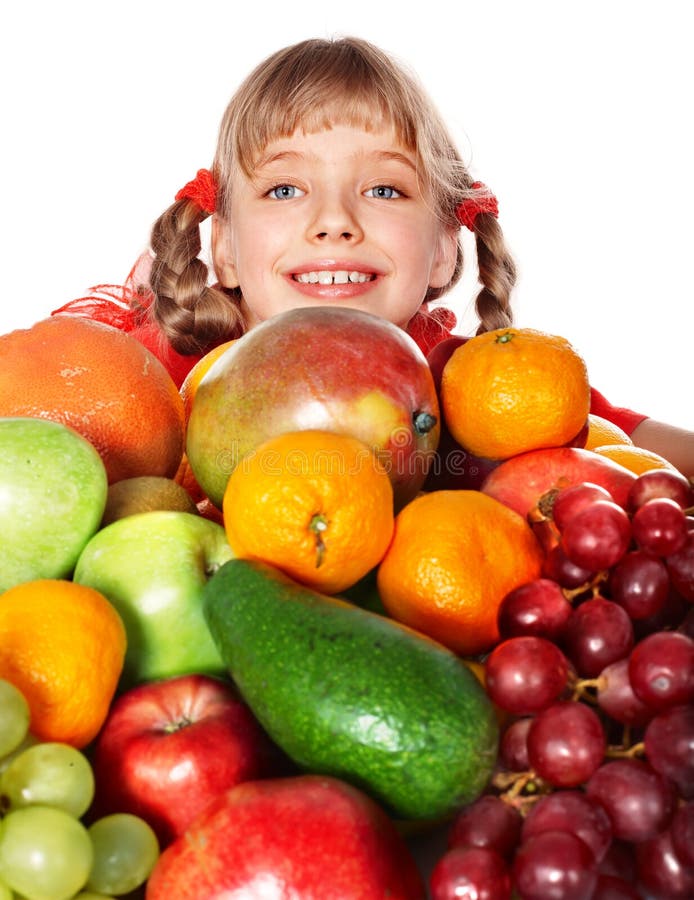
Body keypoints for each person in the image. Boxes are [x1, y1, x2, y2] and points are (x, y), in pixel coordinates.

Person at [54, 36, 694, 478]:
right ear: (221, 249)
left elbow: (656, 458)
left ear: (446, 248)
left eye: (384, 189)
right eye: (285, 189)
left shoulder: (482, 387)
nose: (334, 221)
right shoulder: (152, 386)